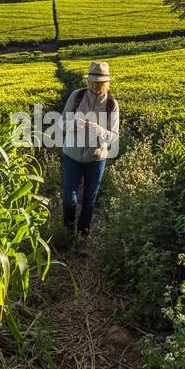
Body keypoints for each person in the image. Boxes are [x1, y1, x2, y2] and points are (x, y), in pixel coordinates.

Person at [60, 60, 119, 249]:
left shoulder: (111, 104)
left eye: (100, 82)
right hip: (72, 155)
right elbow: (61, 123)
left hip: (96, 159)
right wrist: (74, 124)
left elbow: (114, 136)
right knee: (70, 199)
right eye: (93, 81)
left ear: (107, 83)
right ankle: (68, 234)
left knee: (89, 201)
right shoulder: (77, 97)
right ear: (88, 81)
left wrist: (97, 130)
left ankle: (83, 238)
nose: (96, 85)